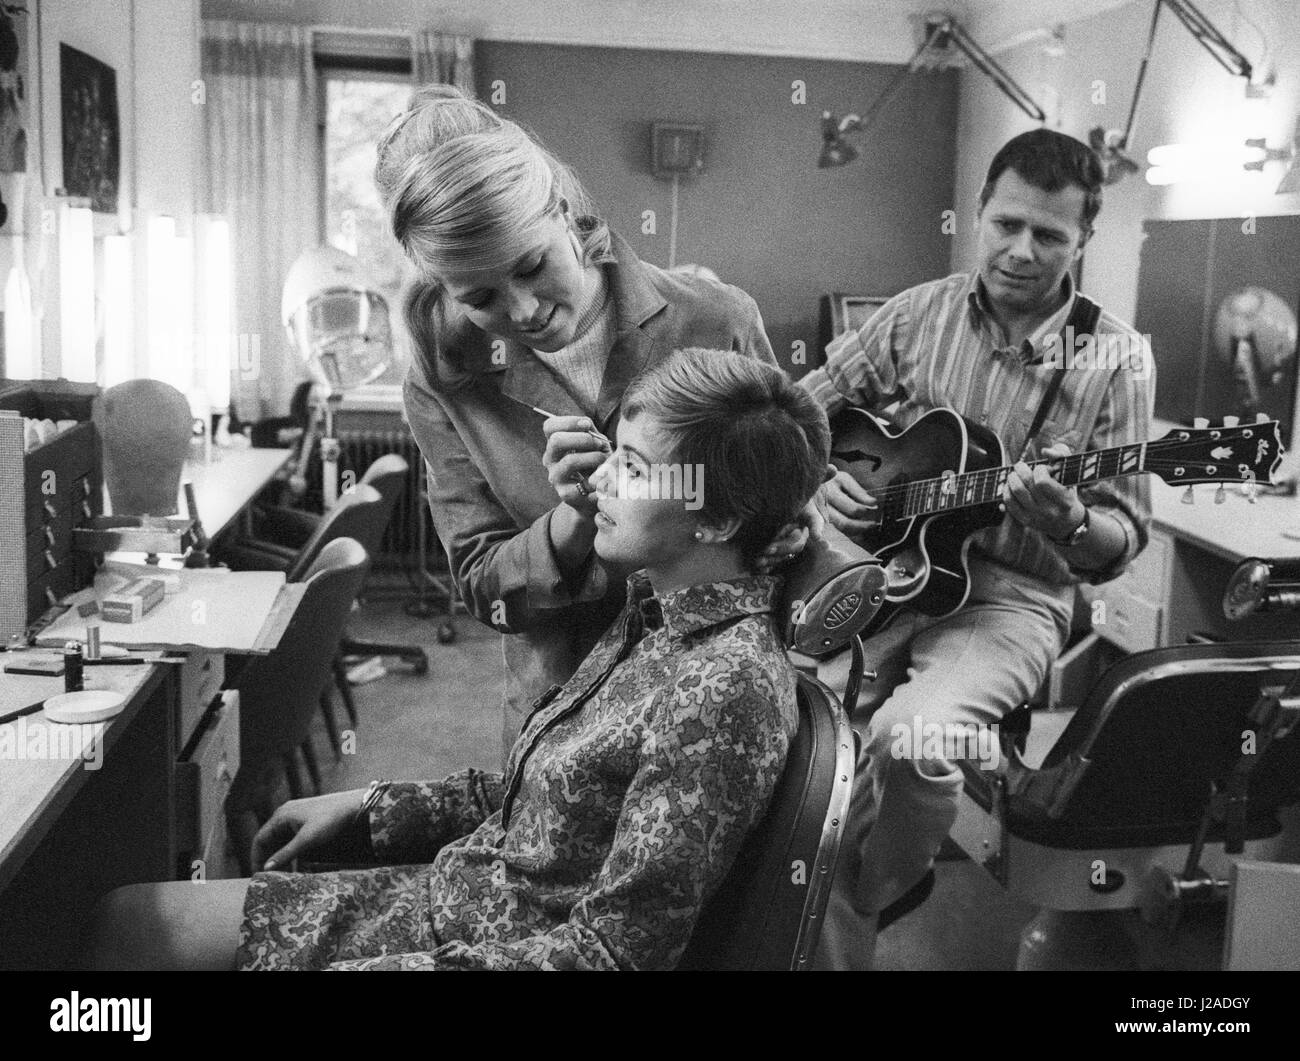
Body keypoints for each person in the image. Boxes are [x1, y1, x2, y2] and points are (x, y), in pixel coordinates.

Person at [79, 349, 831, 971]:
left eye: (631, 468)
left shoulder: (719, 689)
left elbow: (611, 955)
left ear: (721, 518)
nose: (595, 480)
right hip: (458, 898)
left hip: (479, 943)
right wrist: (369, 807)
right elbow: (549, 802)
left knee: (139, 939)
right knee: (130, 922)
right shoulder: (655, 613)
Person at [799, 129, 1154, 968]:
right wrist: (821, 480)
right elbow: (794, 415)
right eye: (1005, 224)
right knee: (809, 769)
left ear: (1084, 241)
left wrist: (1068, 520)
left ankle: (890, 879)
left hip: (1010, 597)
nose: (1021, 251)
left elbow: (1121, 541)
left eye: (1050, 236)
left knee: (913, 737)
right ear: (981, 213)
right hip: (886, 567)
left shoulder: (1118, 359)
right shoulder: (917, 313)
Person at [380, 86, 776, 763]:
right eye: (480, 297)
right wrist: (572, 522)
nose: (525, 309)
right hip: (561, 724)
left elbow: (787, 501)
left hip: (722, 701)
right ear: (443, 288)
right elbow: (485, 591)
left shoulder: (717, 321)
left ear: (564, 211)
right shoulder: (442, 379)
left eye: (533, 265)